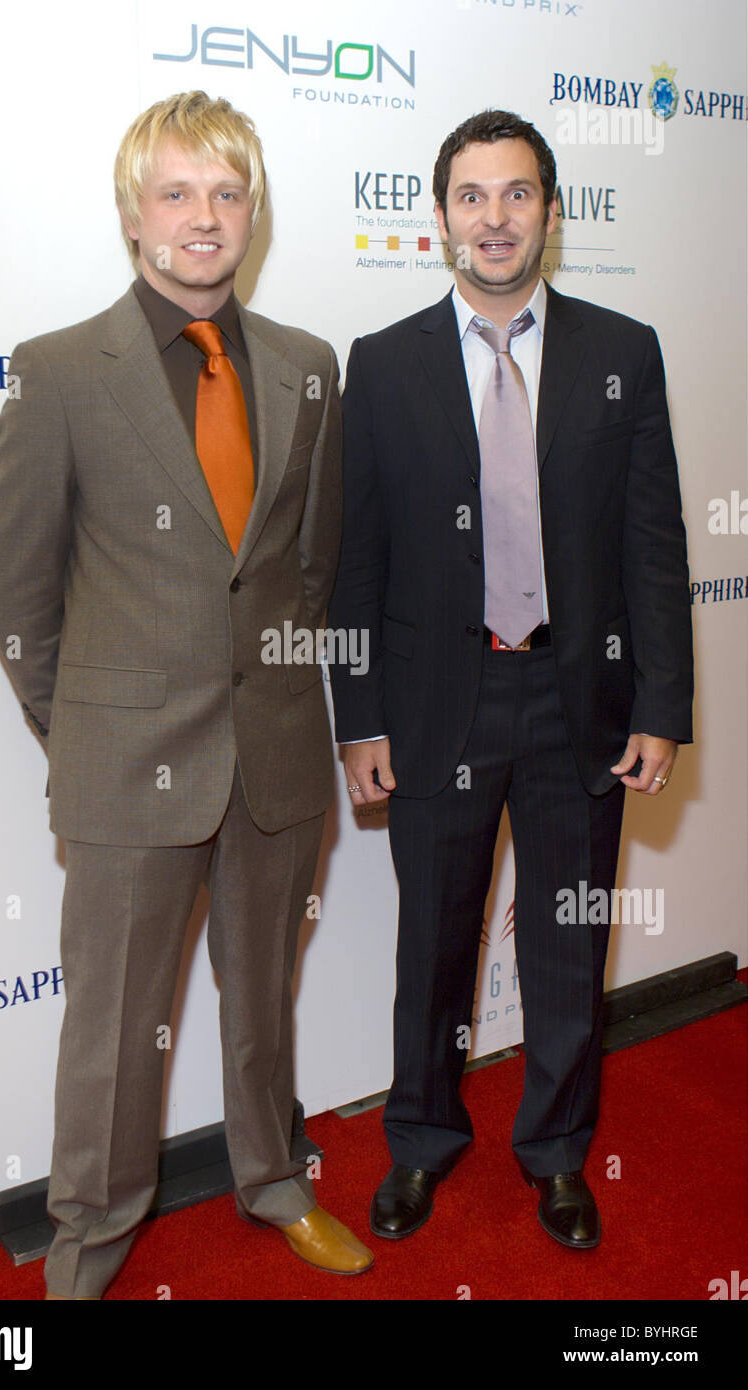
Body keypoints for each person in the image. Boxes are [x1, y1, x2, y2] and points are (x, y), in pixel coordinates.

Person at [0, 90, 372, 1298]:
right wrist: (85, 727)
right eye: (178, 192)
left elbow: (307, 573)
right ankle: (88, 1240)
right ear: (132, 213)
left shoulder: (308, 368)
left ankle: (275, 1178)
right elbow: (17, 595)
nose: (206, 218)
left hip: (277, 763)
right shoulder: (58, 374)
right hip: (124, 767)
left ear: (254, 212)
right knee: (109, 1032)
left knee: (265, 996)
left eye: (229, 192)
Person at [327, 109, 693, 1250]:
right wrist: (360, 718)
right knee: (431, 945)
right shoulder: (381, 365)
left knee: (567, 943)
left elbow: (654, 546)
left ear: (550, 211)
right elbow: (356, 559)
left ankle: (557, 1152)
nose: (496, 218)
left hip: (577, 699)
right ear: (439, 217)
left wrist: (665, 704)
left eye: (518, 194)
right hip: (442, 703)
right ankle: (421, 1141)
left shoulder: (622, 352)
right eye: (473, 196)